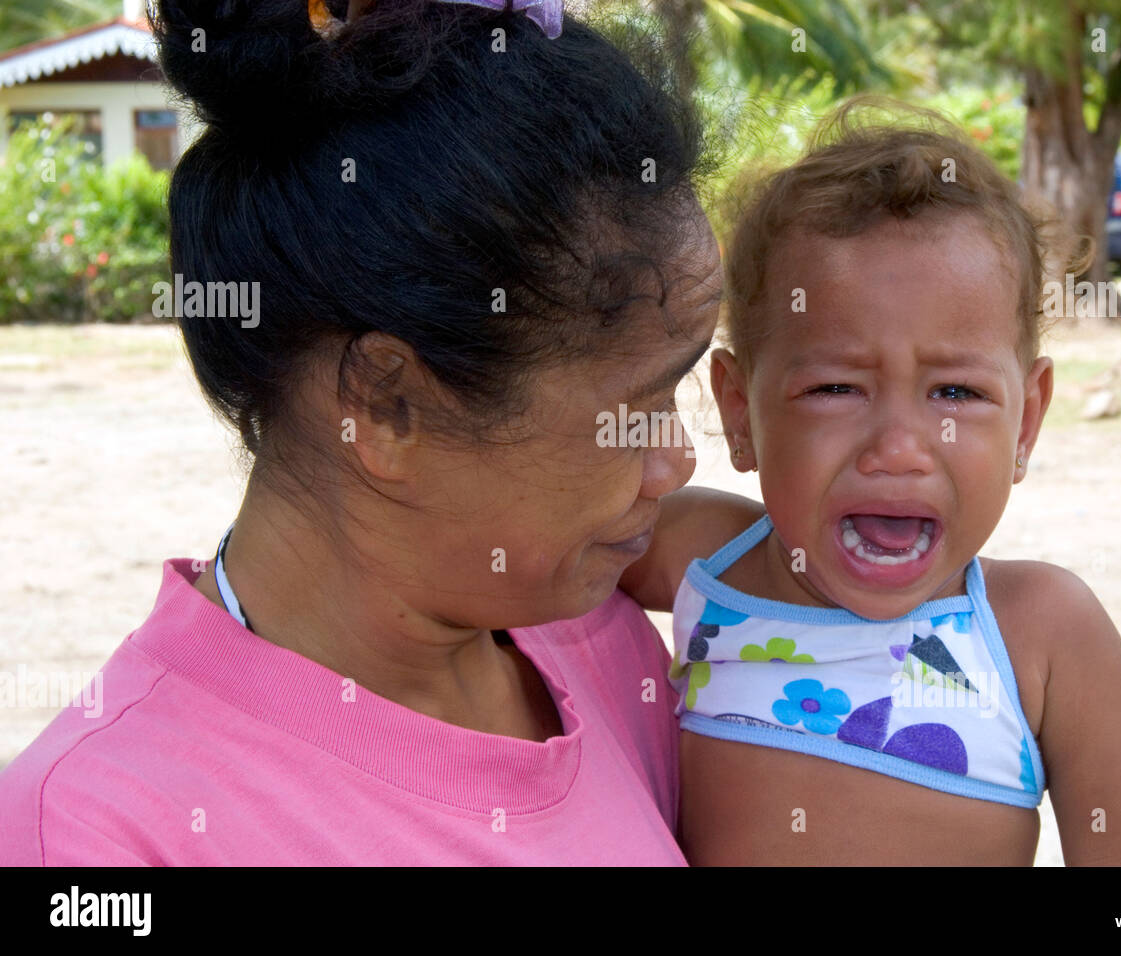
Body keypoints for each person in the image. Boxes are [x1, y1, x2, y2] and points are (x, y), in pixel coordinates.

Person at [0, 0, 722, 864]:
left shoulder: (605, 652)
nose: (675, 461)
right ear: (386, 404)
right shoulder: (97, 834)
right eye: (640, 405)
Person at [619, 99, 1121, 865]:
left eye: (956, 393)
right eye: (835, 389)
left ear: (1026, 424)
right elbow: (514, 544)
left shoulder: (1042, 637)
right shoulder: (699, 556)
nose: (898, 449)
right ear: (740, 411)